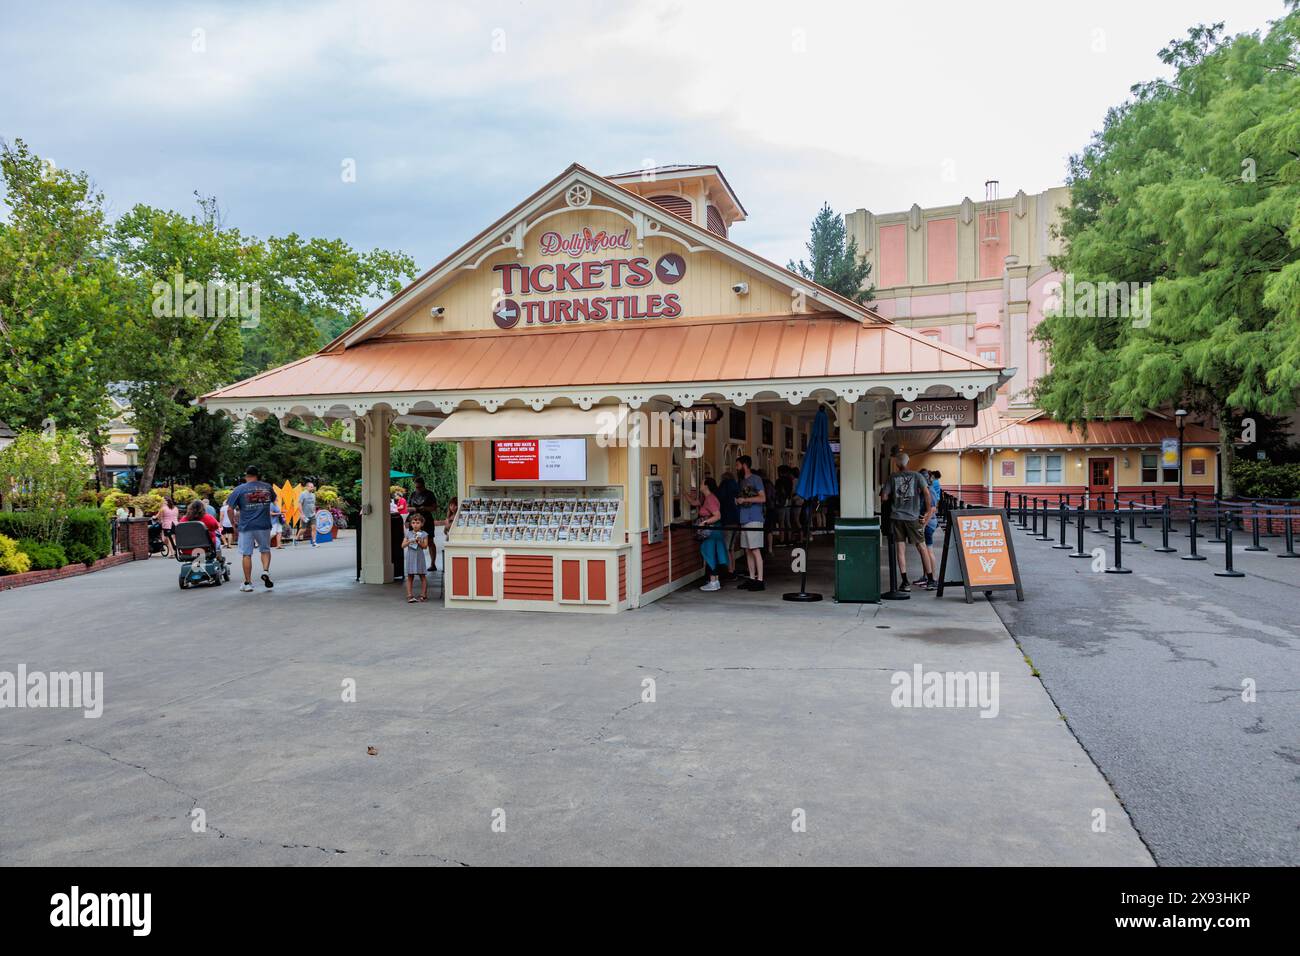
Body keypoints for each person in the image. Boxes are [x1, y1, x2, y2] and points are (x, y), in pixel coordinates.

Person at [880, 452, 935, 591]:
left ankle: (905, 583)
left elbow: (884, 497)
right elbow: (927, 493)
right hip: (912, 517)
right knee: (922, 547)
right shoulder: (917, 476)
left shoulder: (892, 477)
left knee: (900, 549)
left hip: (897, 518)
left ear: (897, 464)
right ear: (908, 461)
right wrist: (928, 511)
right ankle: (930, 580)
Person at [226, 465, 276, 592]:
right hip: (264, 525)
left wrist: (233, 522)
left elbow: (230, 508)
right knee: (265, 550)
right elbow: (273, 500)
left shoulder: (239, 489)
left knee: (246, 554)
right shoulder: (267, 487)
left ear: (246, 475)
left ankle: (247, 583)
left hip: (246, 526)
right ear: (258, 475)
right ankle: (265, 571)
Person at [734, 455, 766, 591]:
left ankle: (760, 580)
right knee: (747, 550)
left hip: (754, 518)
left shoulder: (756, 479)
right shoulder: (742, 481)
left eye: (737, 465)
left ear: (744, 465)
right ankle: (752, 578)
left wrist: (746, 500)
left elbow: (762, 498)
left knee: (755, 549)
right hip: (744, 518)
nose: (736, 468)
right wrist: (738, 501)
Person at [695, 476, 725, 592]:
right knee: (713, 554)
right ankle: (715, 581)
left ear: (706, 486)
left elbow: (717, 515)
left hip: (711, 531)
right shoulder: (707, 498)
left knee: (709, 553)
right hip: (714, 530)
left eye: (702, 483)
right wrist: (683, 491)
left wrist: (705, 522)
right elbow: (694, 502)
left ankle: (713, 581)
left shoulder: (710, 499)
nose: (700, 485)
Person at [402, 512, 430, 603]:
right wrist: (409, 541)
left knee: (422, 575)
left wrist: (420, 542)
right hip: (411, 557)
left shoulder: (424, 534)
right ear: (411, 524)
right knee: (410, 576)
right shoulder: (408, 533)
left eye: (418, 523)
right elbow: (402, 545)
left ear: (422, 524)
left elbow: (425, 546)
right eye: (413, 523)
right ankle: (409, 594)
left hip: (419, 557)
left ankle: (423, 594)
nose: (415, 525)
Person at [716, 470, 740, 573]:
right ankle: (733, 568)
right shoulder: (736, 486)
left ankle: (729, 570)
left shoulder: (724, 486)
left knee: (726, 547)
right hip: (736, 520)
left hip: (727, 520)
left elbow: (719, 498)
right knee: (731, 547)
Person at [299, 481, 318, 547]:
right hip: (305, 515)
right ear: (307, 487)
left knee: (314, 528)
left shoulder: (313, 495)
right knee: (303, 529)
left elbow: (313, 504)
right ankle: (297, 536)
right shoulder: (303, 494)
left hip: (312, 515)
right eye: (311, 487)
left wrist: (314, 511)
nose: (312, 488)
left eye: (313, 487)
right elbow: (300, 504)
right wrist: (301, 514)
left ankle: (314, 542)